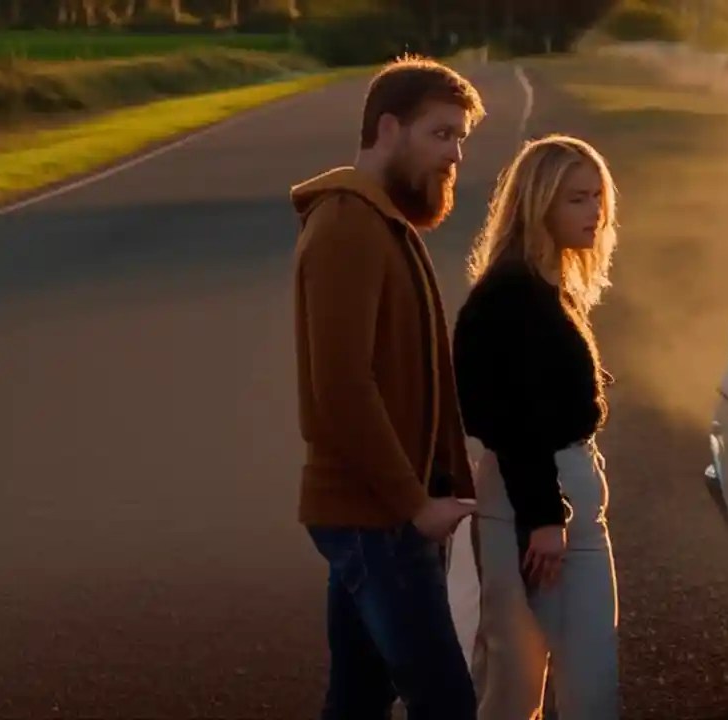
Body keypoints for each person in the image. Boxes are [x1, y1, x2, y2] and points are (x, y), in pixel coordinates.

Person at [288, 55, 485, 719]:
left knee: (358, 699)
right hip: (378, 517)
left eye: (460, 139)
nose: (454, 155)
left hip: (381, 513)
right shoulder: (347, 224)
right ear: (390, 128)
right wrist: (413, 503)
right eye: (441, 135)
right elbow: (340, 386)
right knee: (447, 702)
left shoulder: (379, 221)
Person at [453, 134, 621, 720]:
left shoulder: (548, 288)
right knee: (550, 683)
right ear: (539, 204)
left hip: (552, 494)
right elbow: (504, 418)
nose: (594, 212)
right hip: (539, 500)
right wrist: (543, 518)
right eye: (576, 199)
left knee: (526, 679)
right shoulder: (511, 295)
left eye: (598, 197)